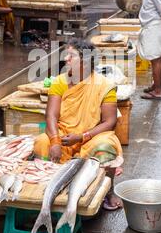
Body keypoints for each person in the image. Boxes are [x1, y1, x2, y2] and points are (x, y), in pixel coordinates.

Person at [34, 38, 124, 210]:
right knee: (41, 143)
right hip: (65, 135)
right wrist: (54, 141)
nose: (66, 59)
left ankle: (108, 191)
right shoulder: (59, 82)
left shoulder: (105, 85)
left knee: (106, 146)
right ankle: (46, 190)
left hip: (91, 136)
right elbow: (51, 116)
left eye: (71, 56)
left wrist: (82, 136)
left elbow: (110, 121)